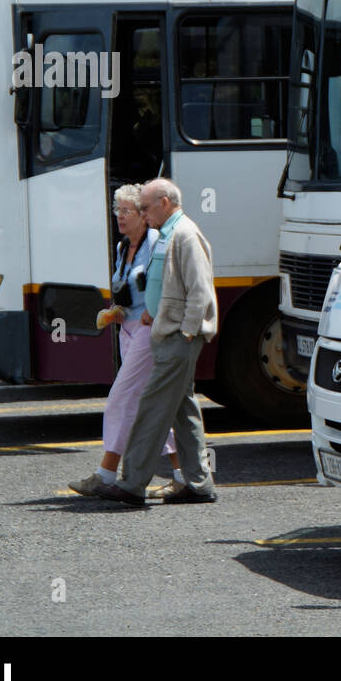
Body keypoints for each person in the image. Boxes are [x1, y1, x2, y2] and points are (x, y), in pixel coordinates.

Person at [94, 178, 219, 505]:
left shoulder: (185, 235)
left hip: (177, 336)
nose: (143, 214)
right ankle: (198, 484)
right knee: (182, 410)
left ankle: (132, 483)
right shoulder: (169, 235)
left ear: (165, 202)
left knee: (150, 407)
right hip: (168, 332)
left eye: (145, 207)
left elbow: (200, 291)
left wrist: (188, 332)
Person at [68, 185, 181, 496]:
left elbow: (165, 284)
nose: (120, 216)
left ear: (143, 217)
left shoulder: (157, 243)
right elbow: (126, 287)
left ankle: (105, 473)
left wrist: (154, 312)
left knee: (121, 398)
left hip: (148, 330)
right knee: (148, 402)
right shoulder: (121, 248)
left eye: (127, 211)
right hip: (127, 330)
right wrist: (117, 312)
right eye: (117, 210)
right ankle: (183, 473)